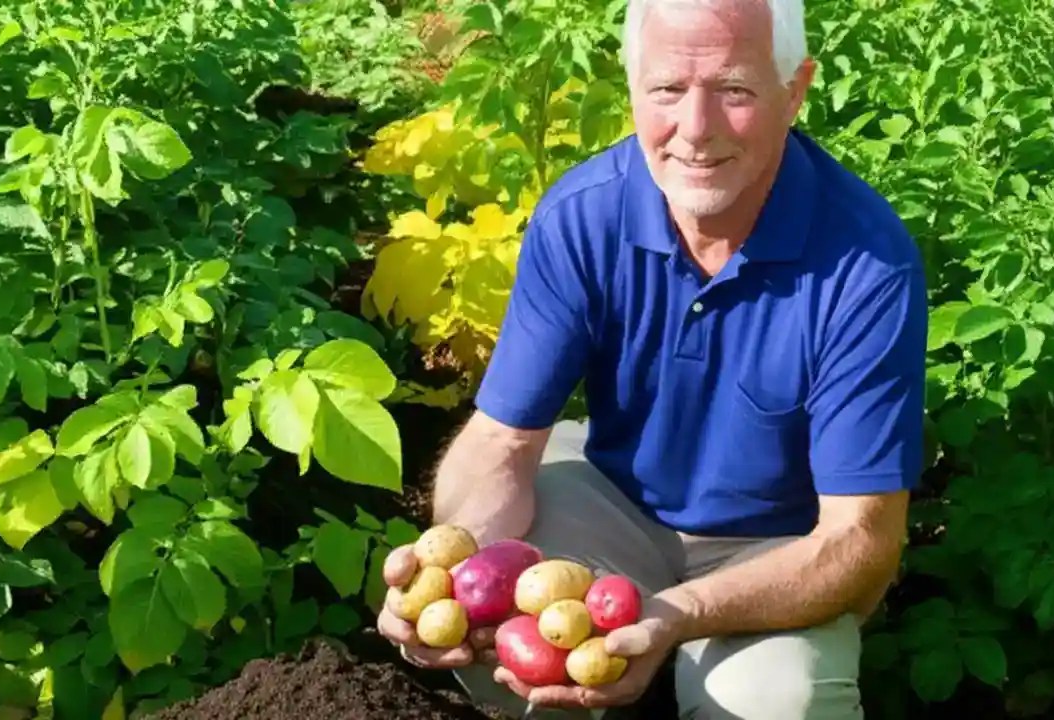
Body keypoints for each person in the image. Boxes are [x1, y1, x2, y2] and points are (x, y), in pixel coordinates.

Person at [377, 0, 928, 717]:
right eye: (668, 89)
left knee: (775, 703)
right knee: (499, 644)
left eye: (734, 90)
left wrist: (680, 612)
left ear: (794, 90)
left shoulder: (865, 264)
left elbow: (862, 539)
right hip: (615, 500)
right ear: (633, 85)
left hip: (777, 545)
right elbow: (502, 441)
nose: (694, 131)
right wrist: (457, 567)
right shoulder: (584, 216)